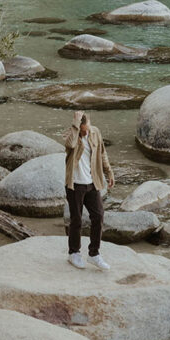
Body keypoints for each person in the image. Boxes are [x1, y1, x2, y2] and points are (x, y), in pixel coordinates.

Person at [64, 110, 114, 271]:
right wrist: (75, 125)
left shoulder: (95, 132)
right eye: (83, 129)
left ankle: (94, 254)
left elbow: (102, 153)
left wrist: (109, 172)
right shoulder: (72, 134)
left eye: (87, 127)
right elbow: (70, 145)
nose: (86, 131)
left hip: (92, 183)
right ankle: (74, 253)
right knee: (76, 220)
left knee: (98, 216)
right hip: (75, 184)